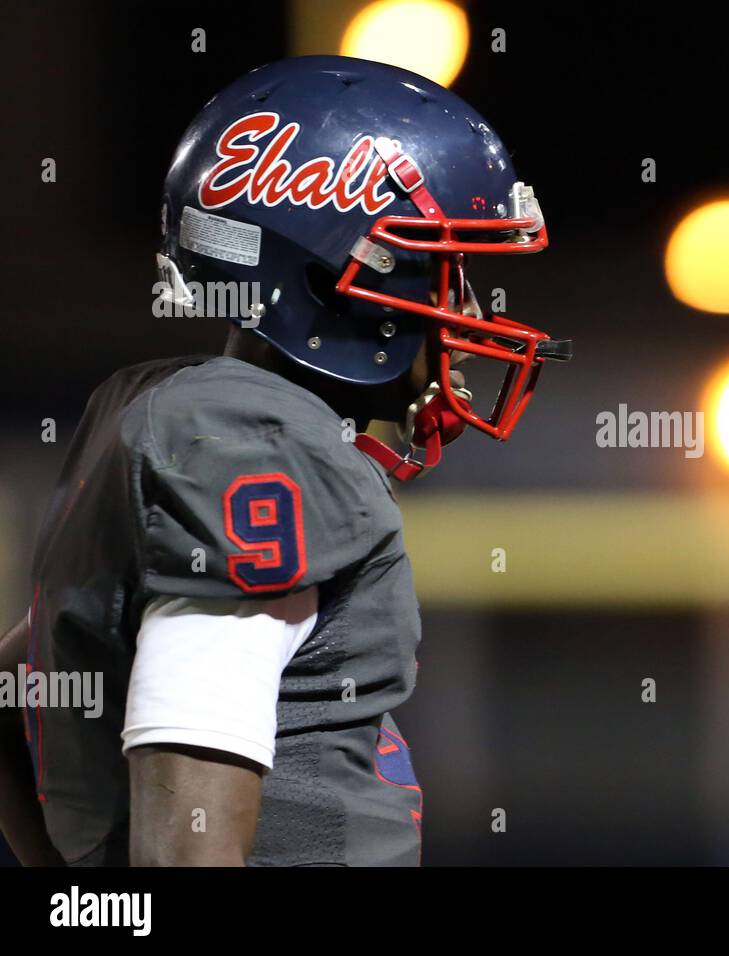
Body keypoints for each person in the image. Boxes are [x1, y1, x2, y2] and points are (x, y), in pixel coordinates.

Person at [0, 55, 569, 866]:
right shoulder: (252, 444)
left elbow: (20, 690)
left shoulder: (177, 417)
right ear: (330, 277)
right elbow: (187, 850)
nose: (472, 310)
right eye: (445, 268)